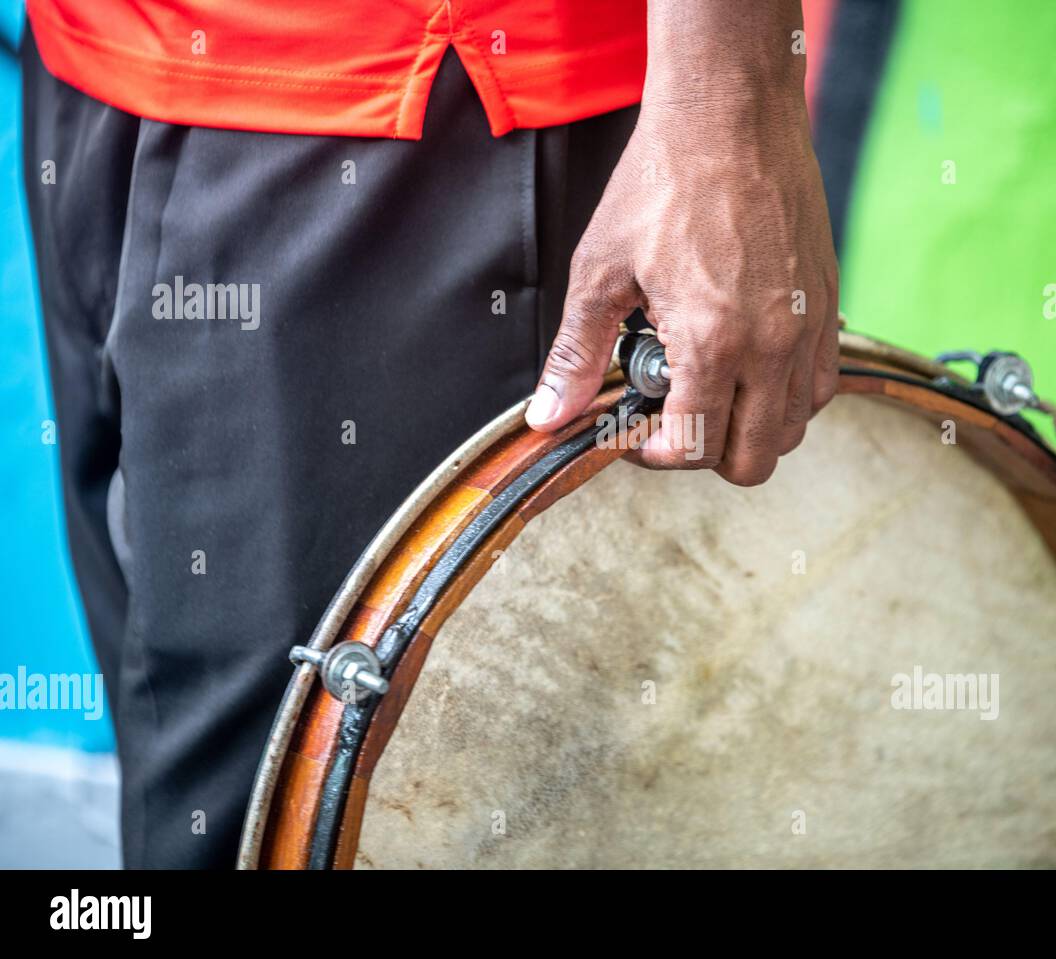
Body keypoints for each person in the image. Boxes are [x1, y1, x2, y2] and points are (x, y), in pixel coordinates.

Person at [22, 0, 838, 867]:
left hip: (427, 108)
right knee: (205, 806)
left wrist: (725, 116)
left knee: (336, 821)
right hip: (96, 64)